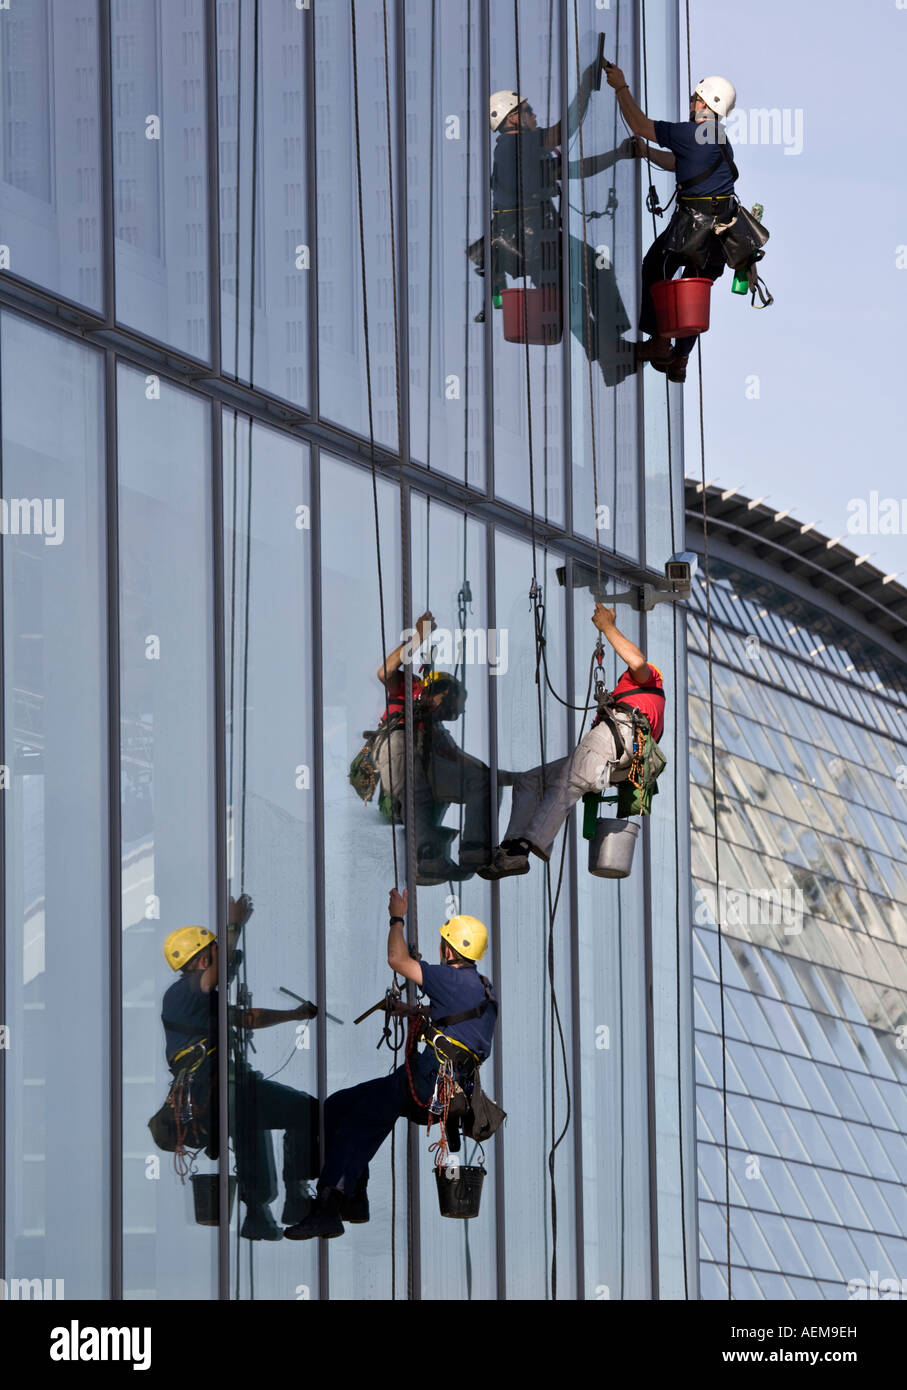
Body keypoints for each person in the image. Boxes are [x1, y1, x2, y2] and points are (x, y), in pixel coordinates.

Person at [284, 890, 498, 1240]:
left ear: (448, 949)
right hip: (440, 1087)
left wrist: (396, 917)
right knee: (338, 1106)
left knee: (359, 1122)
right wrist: (412, 1011)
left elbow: (397, 959)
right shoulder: (480, 988)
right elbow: (458, 1023)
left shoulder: (451, 979)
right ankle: (353, 1198)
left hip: (428, 1083)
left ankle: (329, 1207)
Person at [161, 894, 319, 1240]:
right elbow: (212, 980)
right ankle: (296, 1196)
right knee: (305, 1110)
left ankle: (258, 1214)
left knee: (251, 1130)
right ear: (203, 959)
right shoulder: (187, 991)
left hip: (219, 1093)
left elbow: (247, 1018)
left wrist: (293, 1015)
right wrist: (233, 926)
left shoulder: (198, 1001)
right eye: (216, 953)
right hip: (217, 1091)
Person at [480, 604, 666, 877]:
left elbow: (637, 662)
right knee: (530, 781)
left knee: (569, 782)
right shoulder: (646, 705)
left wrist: (608, 627)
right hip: (617, 758)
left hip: (613, 740)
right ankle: (511, 847)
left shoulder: (649, 684)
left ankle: (527, 845)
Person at [604, 65, 738, 383]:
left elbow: (638, 124)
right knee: (693, 292)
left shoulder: (691, 133)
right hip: (721, 233)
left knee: (654, 268)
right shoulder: (718, 138)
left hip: (693, 228)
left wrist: (620, 87)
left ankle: (659, 343)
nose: (691, 103)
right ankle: (679, 360)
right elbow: (678, 163)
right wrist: (647, 153)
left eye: (695, 99)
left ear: (705, 103)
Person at [372, 611, 496, 882]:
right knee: (417, 775)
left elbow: (467, 766)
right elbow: (385, 672)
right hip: (397, 751)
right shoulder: (413, 689)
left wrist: (494, 778)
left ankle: (461, 848)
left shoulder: (438, 735)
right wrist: (418, 637)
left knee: (481, 781)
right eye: (457, 704)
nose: (459, 713)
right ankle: (426, 850)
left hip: (412, 776)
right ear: (445, 692)